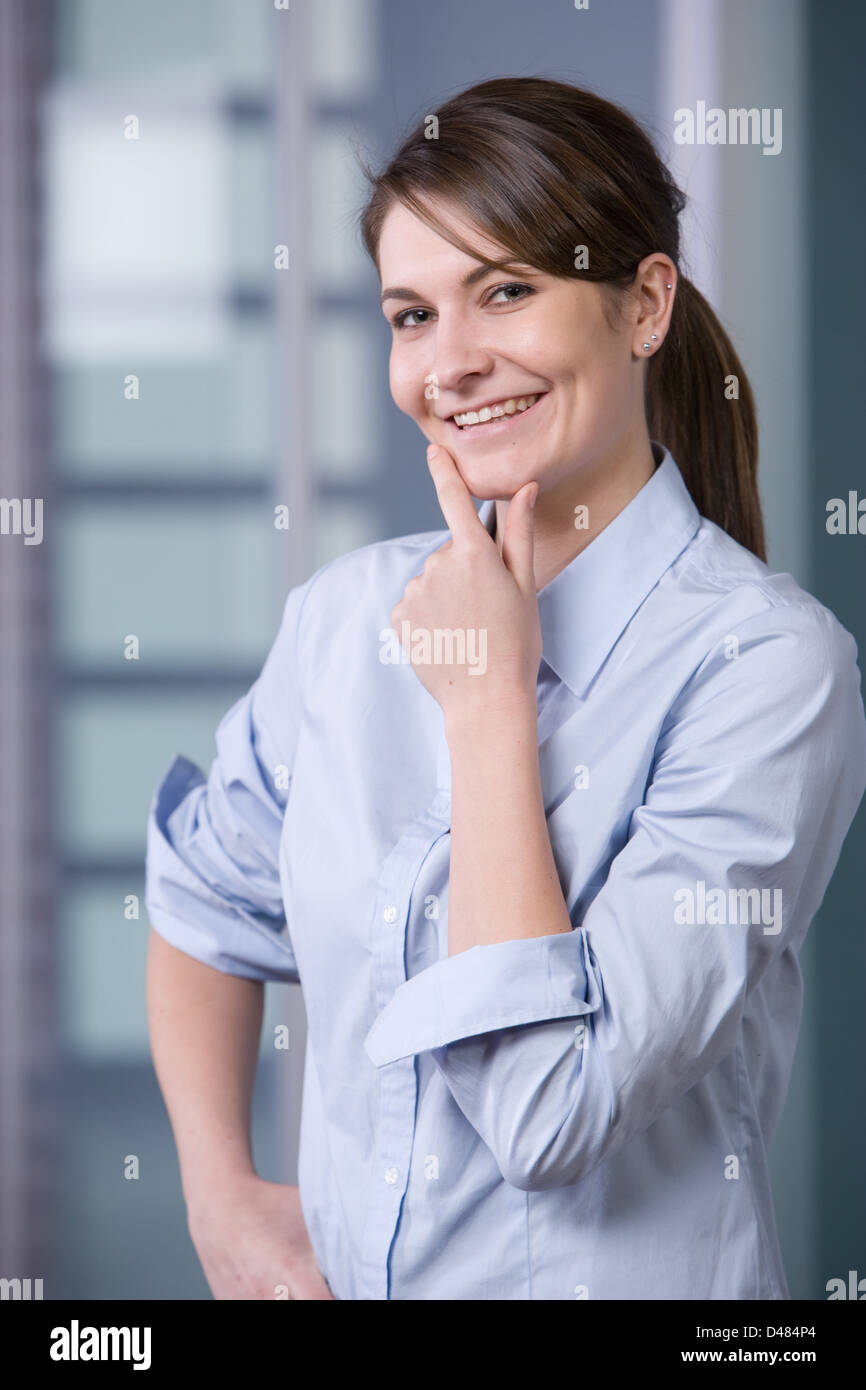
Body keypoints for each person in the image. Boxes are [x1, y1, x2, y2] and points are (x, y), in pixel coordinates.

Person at [145, 76, 866, 1300]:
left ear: (641, 305)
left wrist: (486, 703)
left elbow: (546, 1114)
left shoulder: (765, 669)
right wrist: (221, 1202)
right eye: (410, 314)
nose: (454, 362)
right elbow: (199, 896)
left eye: (507, 292)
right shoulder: (343, 621)